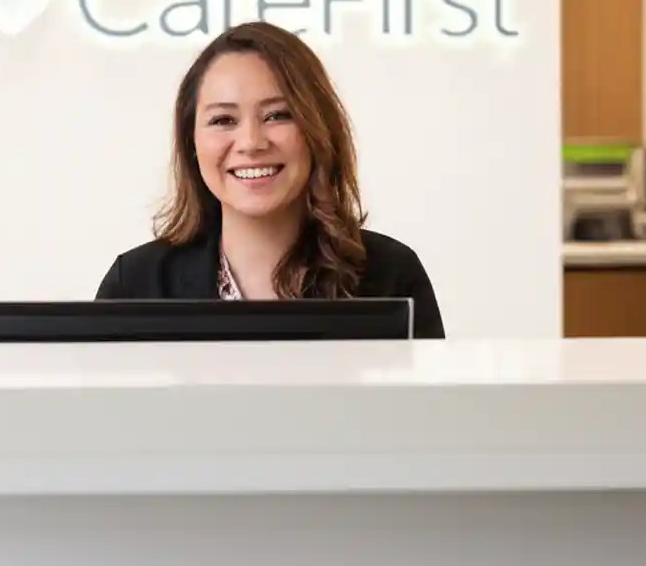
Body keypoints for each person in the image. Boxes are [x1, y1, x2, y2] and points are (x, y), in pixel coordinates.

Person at [95, 21, 445, 338]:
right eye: (223, 120)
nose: (251, 143)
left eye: (277, 115)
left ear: (318, 131)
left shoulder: (390, 275)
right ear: (191, 143)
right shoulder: (136, 284)